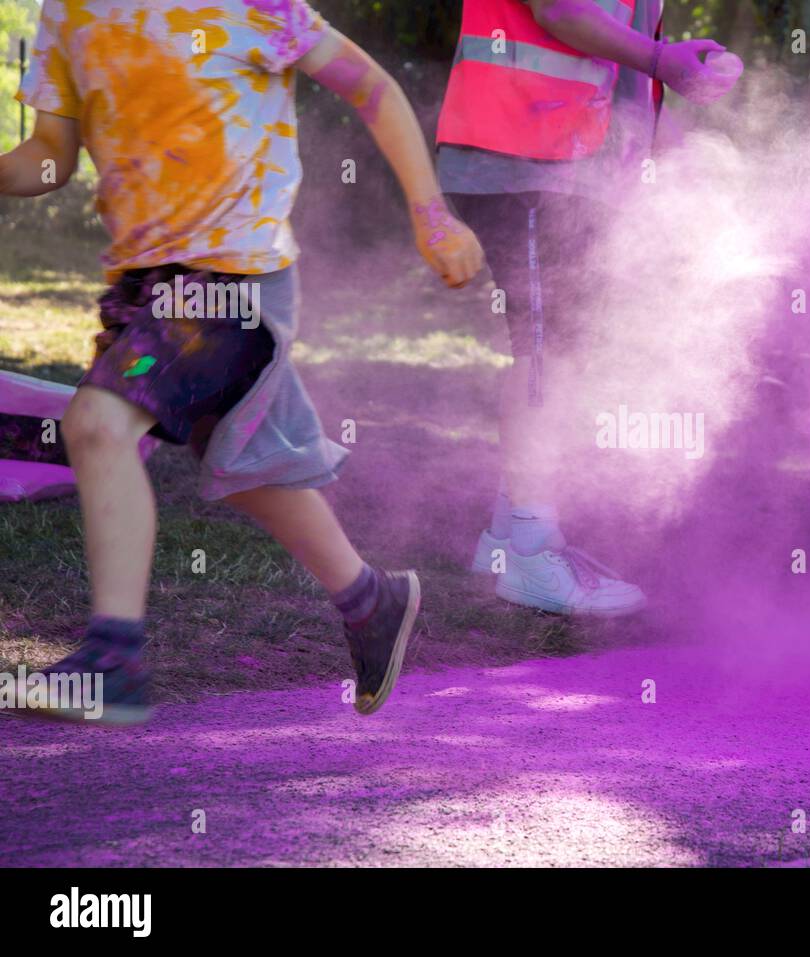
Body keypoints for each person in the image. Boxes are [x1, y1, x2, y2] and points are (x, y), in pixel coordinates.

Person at [0, 0, 484, 724]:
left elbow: (372, 88)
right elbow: (50, 157)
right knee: (251, 470)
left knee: (97, 425)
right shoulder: (71, 12)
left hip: (236, 282)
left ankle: (114, 662)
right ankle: (370, 600)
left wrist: (432, 215)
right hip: (145, 284)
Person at [436, 0, 737, 616]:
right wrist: (662, 60)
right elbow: (558, 11)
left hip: (562, 165)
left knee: (558, 350)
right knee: (548, 352)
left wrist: (671, 101)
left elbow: (620, 71)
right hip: (519, 155)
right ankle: (530, 550)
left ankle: (504, 538)